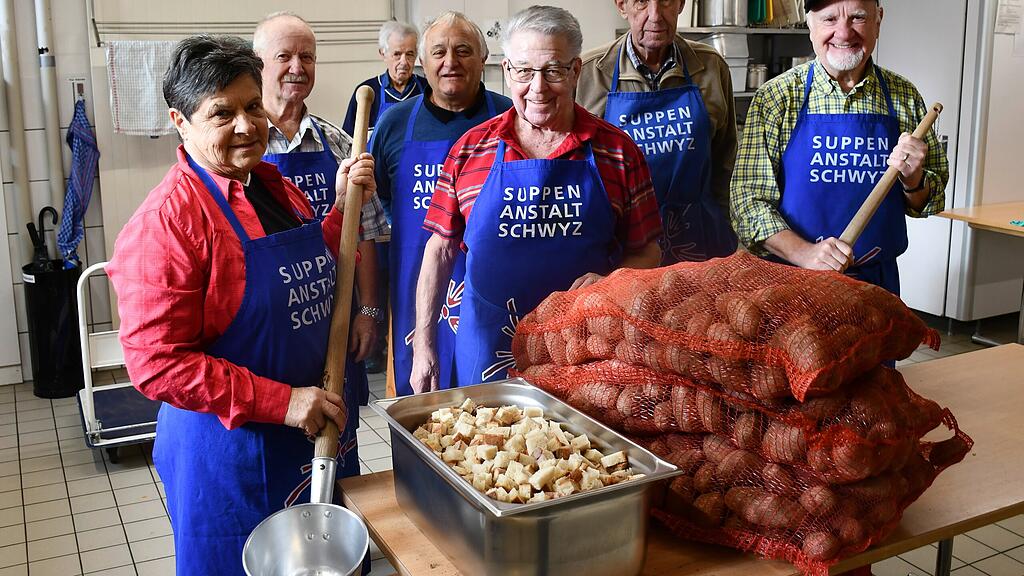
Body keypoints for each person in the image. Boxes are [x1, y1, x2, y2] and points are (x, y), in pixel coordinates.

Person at [105, 35, 377, 575]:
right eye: (221, 113)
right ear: (180, 121)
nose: (246, 125)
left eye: (253, 106)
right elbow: (155, 364)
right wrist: (282, 402)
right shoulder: (168, 224)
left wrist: (341, 207)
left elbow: (306, 266)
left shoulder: (272, 186)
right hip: (231, 457)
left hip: (313, 432)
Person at [411, 5, 663, 393]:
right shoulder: (470, 151)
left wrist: (611, 282)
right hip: (488, 351)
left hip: (588, 350)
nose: (538, 87)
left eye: (554, 71)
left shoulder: (617, 152)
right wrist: (424, 345)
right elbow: (440, 250)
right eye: (524, 71)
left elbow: (648, 252)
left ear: (576, 70)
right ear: (507, 71)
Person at [730, 0, 948, 295]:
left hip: (877, 287)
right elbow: (747, 202)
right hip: (790, 284)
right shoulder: (777, 97)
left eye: (857, 17)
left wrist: (913, 180)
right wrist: (804, 253)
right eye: (830, 19)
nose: (844, 34)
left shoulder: (903, 96)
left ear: (878, 20)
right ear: (810, 24)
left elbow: (929, 202)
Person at [369, 11, 512, 396]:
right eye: (439, 52)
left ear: (484, 60)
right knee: (422, 407)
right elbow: (379, 198)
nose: (451, 62)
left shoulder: (510, 119)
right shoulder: (393, 124)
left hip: (491, 292)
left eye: (463, 51)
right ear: (423, 62)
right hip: (415, 286)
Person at [254, 12, 390, 401]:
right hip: (268, 326)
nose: (298, 67)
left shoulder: (340, 145)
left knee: (338, 430)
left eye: (307, 57)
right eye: (285, 57)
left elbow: (362, 232)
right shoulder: (243, 147)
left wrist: (368, 312)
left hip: (334, 319)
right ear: (258, 64)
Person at [577, 0, 738, 264]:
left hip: (700, 241)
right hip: (623, 247)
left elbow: (725, 163)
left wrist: (726, 235)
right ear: (621, 5)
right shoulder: (588, 73)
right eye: (641, 2)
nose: (655, 16)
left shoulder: (711, 67)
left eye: (665, 2)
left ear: (681, 5)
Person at [344, 20, 425, 136]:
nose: (404, 62)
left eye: (409, 54)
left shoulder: (428, 89)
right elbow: (348, 141)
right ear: (383, 54)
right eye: (397, 54)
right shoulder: (367, 92)